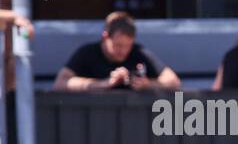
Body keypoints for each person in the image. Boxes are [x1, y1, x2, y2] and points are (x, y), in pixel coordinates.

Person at [54, 11, 182, 92]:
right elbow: (60, 83)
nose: (123, 51)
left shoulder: (139, 52)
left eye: (128, 45)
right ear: (105, 37)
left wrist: (147, 84)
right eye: (118, 45)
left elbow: (173, 81)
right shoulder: (87, 53)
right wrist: (103, 84)